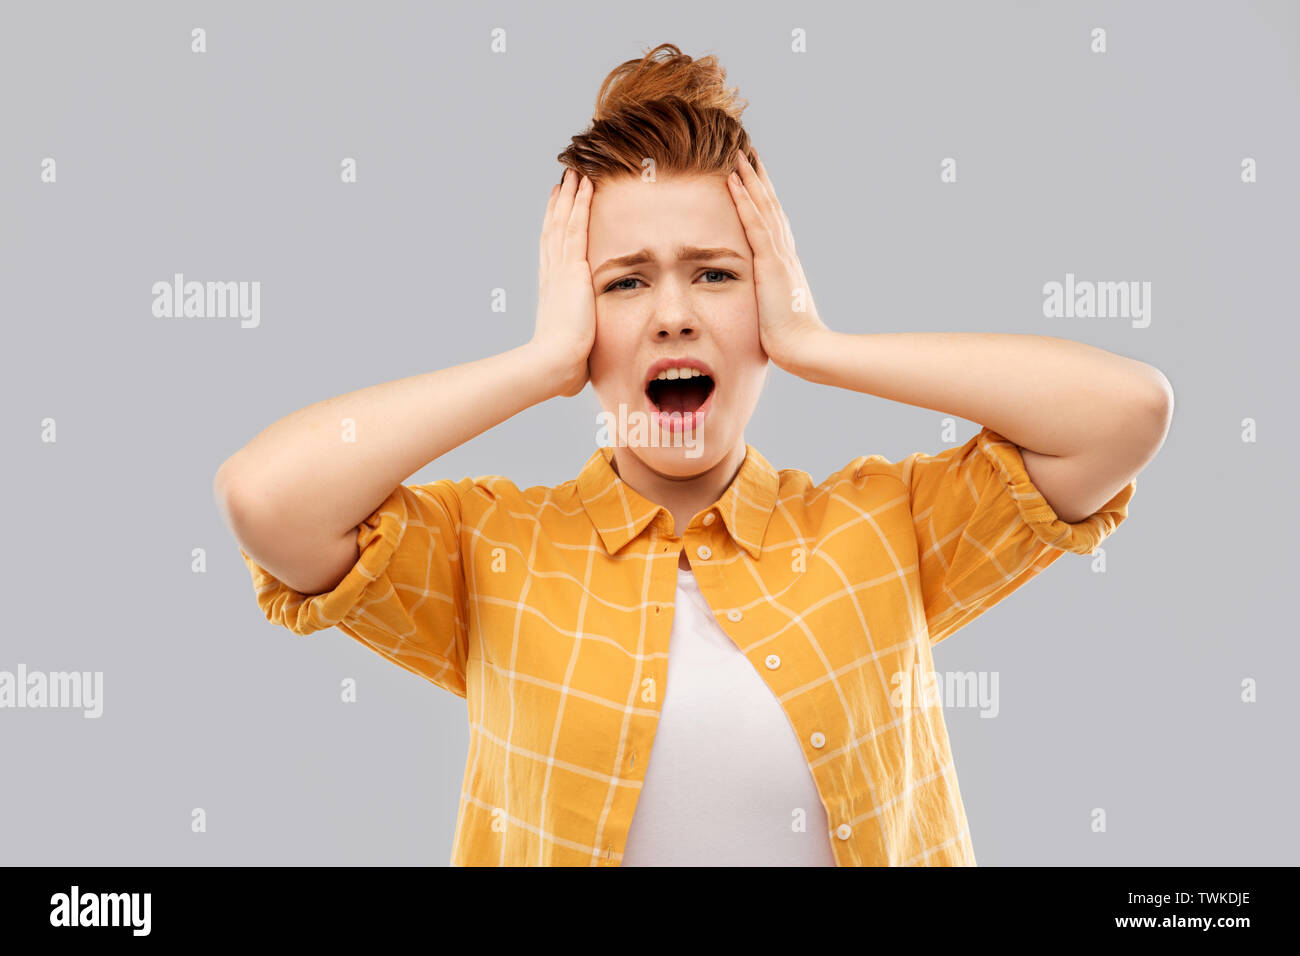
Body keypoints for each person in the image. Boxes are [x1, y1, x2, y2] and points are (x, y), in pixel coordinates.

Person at [214, 43, 1172, 866]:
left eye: (715, 274)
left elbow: (1124, 413)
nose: (673, 314)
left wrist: (819, 345)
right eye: (625, 283)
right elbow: (267, 499)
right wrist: (538, 363)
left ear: (766, 300)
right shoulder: (492, 550)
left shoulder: (884, 530)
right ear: (581, 317)